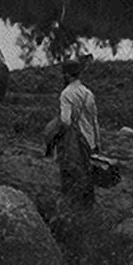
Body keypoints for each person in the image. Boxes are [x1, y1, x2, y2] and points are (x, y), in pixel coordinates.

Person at [46, 59, 100, 211]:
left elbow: (65, 122)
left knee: (69, 174)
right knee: (88, 174)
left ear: (67, 74)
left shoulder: (66, 94)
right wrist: (97, 143)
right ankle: (88, 207)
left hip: (74, 142)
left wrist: (55, 138)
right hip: (89, 141)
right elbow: (94, 120)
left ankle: (70, 207)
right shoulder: (88, 92)